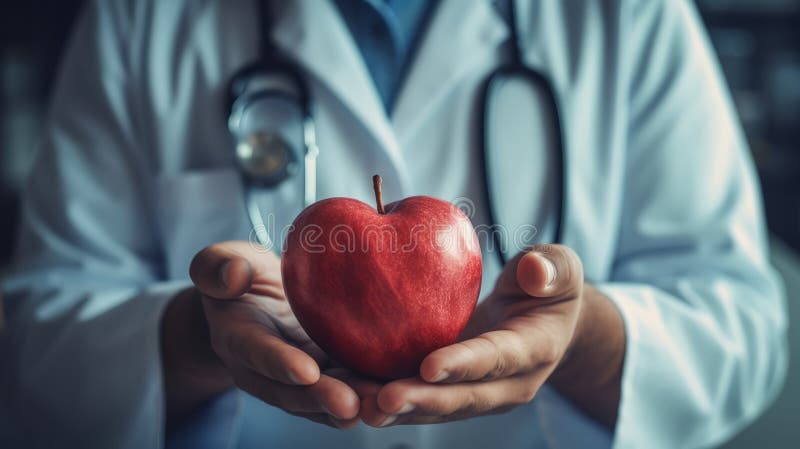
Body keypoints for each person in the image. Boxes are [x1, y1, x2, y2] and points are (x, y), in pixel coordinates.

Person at [0, 0, 788, 448]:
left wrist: (586, 339)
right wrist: (195, 337)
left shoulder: (630, 15)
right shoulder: (144, 17)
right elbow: (37, 339)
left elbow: (742, 323)